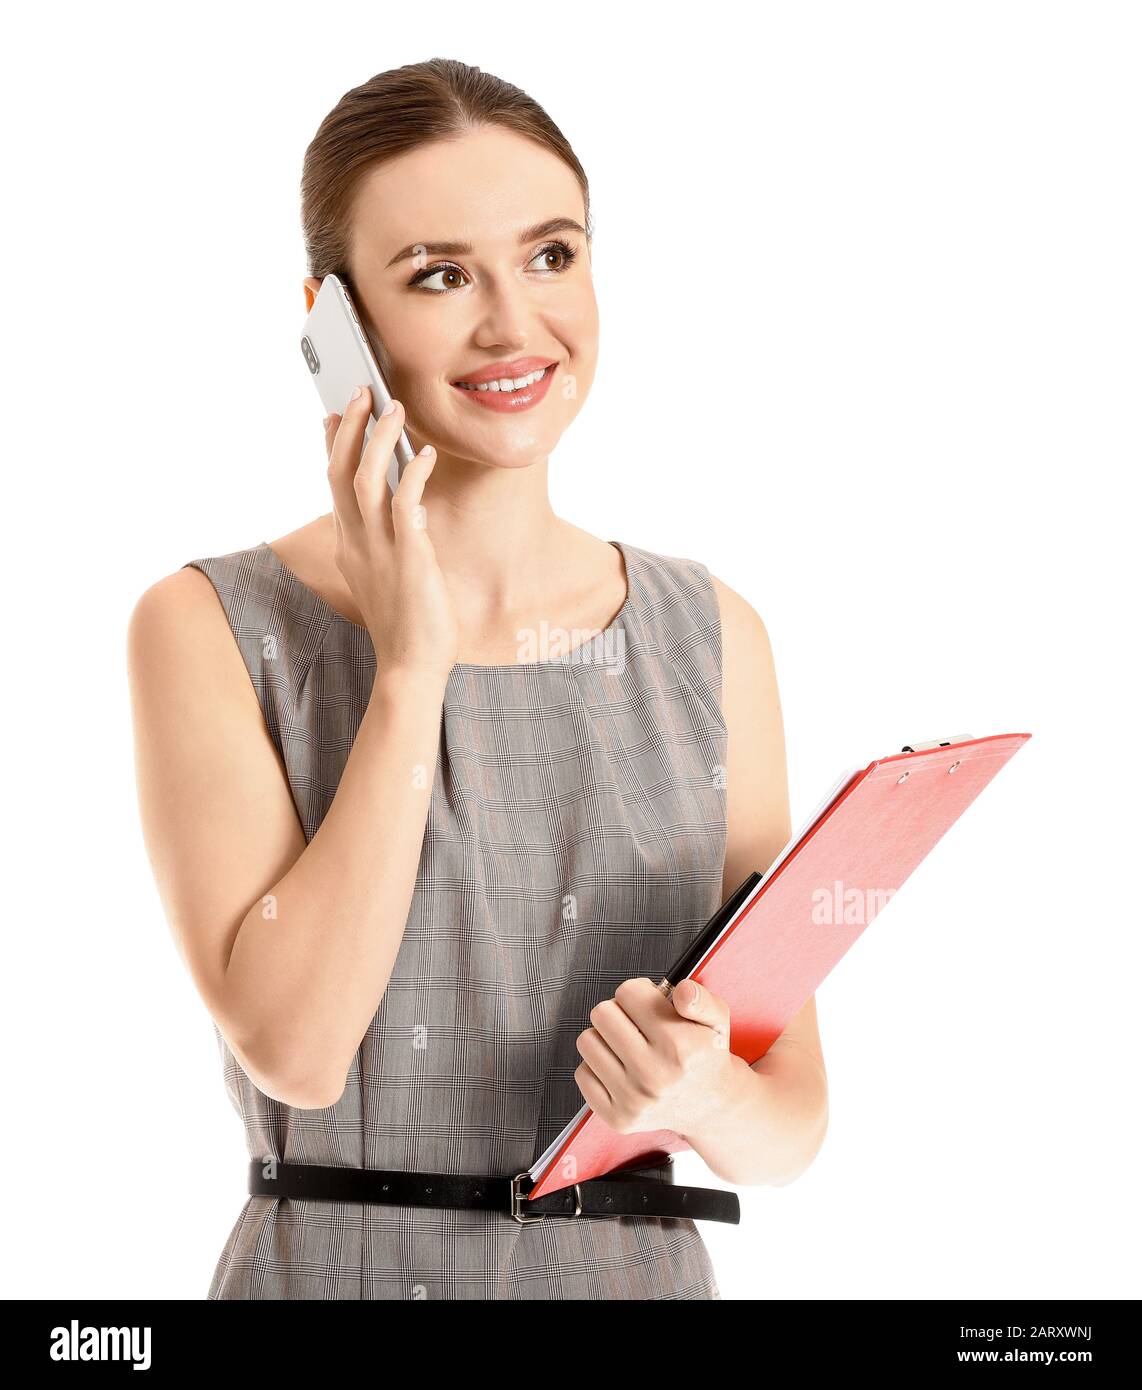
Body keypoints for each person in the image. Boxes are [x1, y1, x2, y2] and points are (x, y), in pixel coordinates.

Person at [127, 57, 828, 1301]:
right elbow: (295, 1047)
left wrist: (703, 1090)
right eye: (440, 276)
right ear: (330, 326)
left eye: (550, 256)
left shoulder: (711, 634)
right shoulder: (210, 624)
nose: (512, 324)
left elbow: (792, 1119)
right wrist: (410, 660)